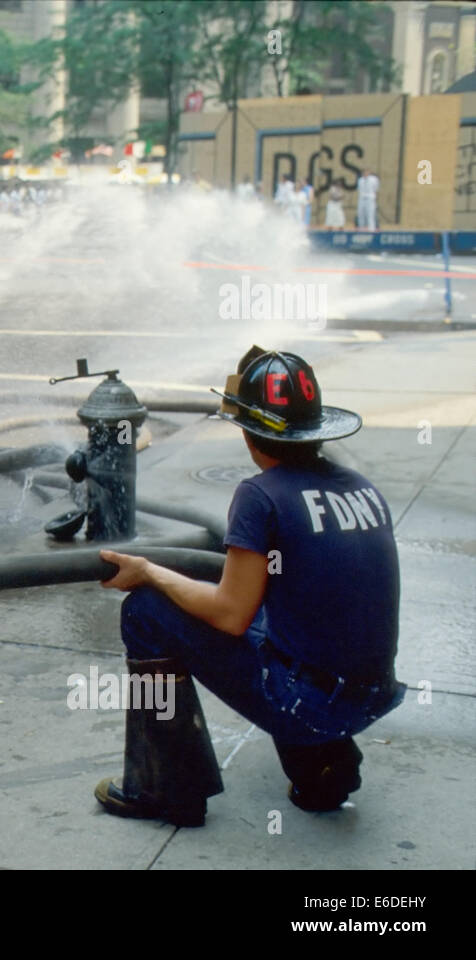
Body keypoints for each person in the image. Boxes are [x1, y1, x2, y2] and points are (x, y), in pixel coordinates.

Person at [94, 346, 405, 826]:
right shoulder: (360, 486)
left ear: (249, 432)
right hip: (370, 693)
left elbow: (230, 615)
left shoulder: (260, 495)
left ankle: (166, 788)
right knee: (269, 609)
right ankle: (324, 769)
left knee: (148, 610)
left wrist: (151, 571)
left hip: (307, 704)